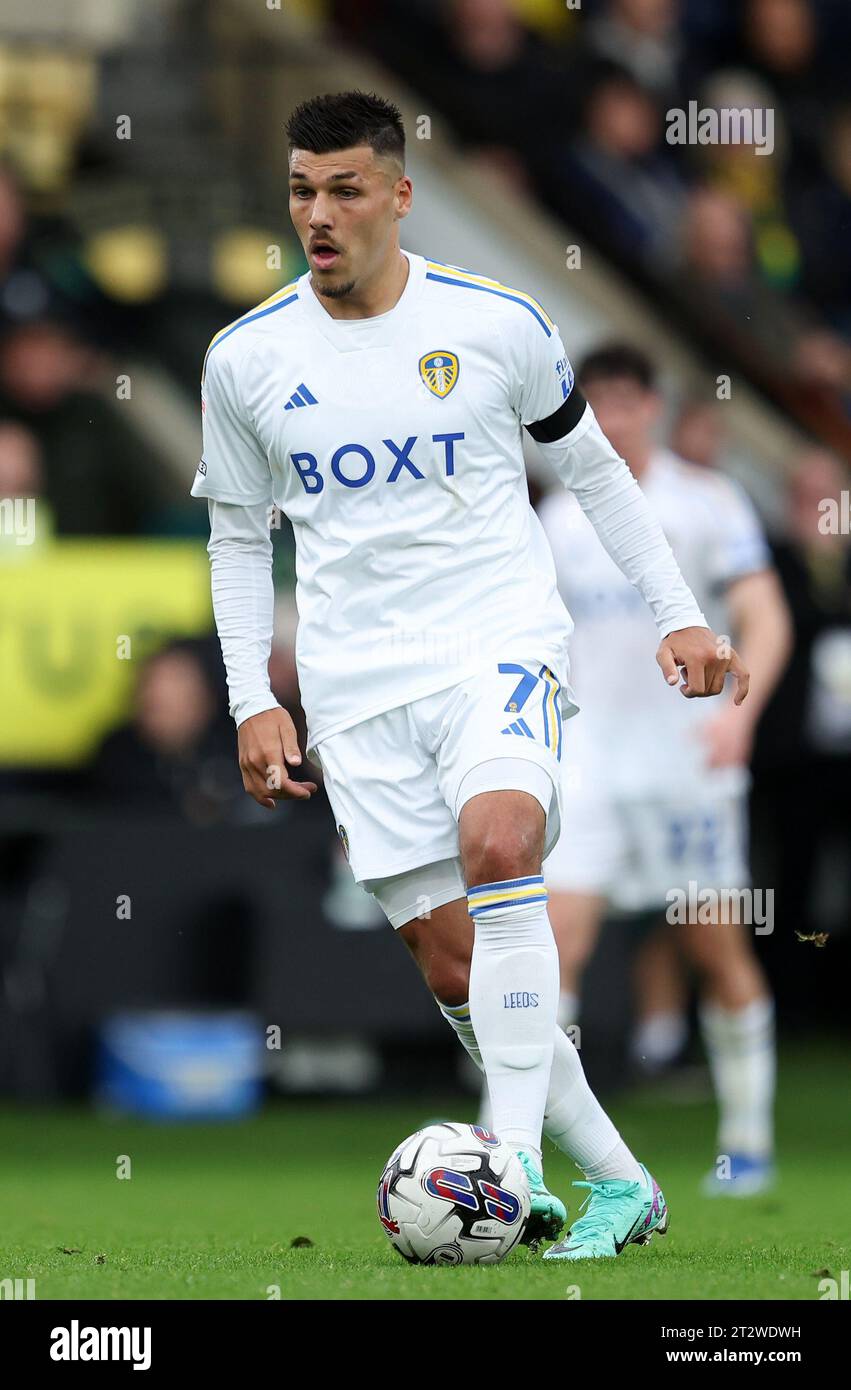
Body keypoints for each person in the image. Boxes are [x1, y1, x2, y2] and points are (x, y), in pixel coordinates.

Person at [191, 91, 749, 1259]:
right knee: (458, 964)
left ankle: (504, 1165)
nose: (320, 214)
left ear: (400, 195)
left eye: (345, 188)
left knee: (505, 847)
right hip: (354, 688)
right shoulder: (244, 360)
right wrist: (253, 693)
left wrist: (678, 617)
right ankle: (621, 1181)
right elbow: (240, 538)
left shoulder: (496, 323)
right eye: (302, 189)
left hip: (495, 640)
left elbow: (593, 474)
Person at [538, 344, 792, 1196]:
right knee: (552, 947)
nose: (608, 416)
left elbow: (765, 617)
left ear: (650, 407)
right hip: (588, 762)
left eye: (623, 399)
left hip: (685, 762)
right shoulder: (559, 515)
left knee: (713, 948)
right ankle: (543, 1153)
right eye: (592, 401)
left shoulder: (705, 501)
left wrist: (738, 720)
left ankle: (746, 1141)